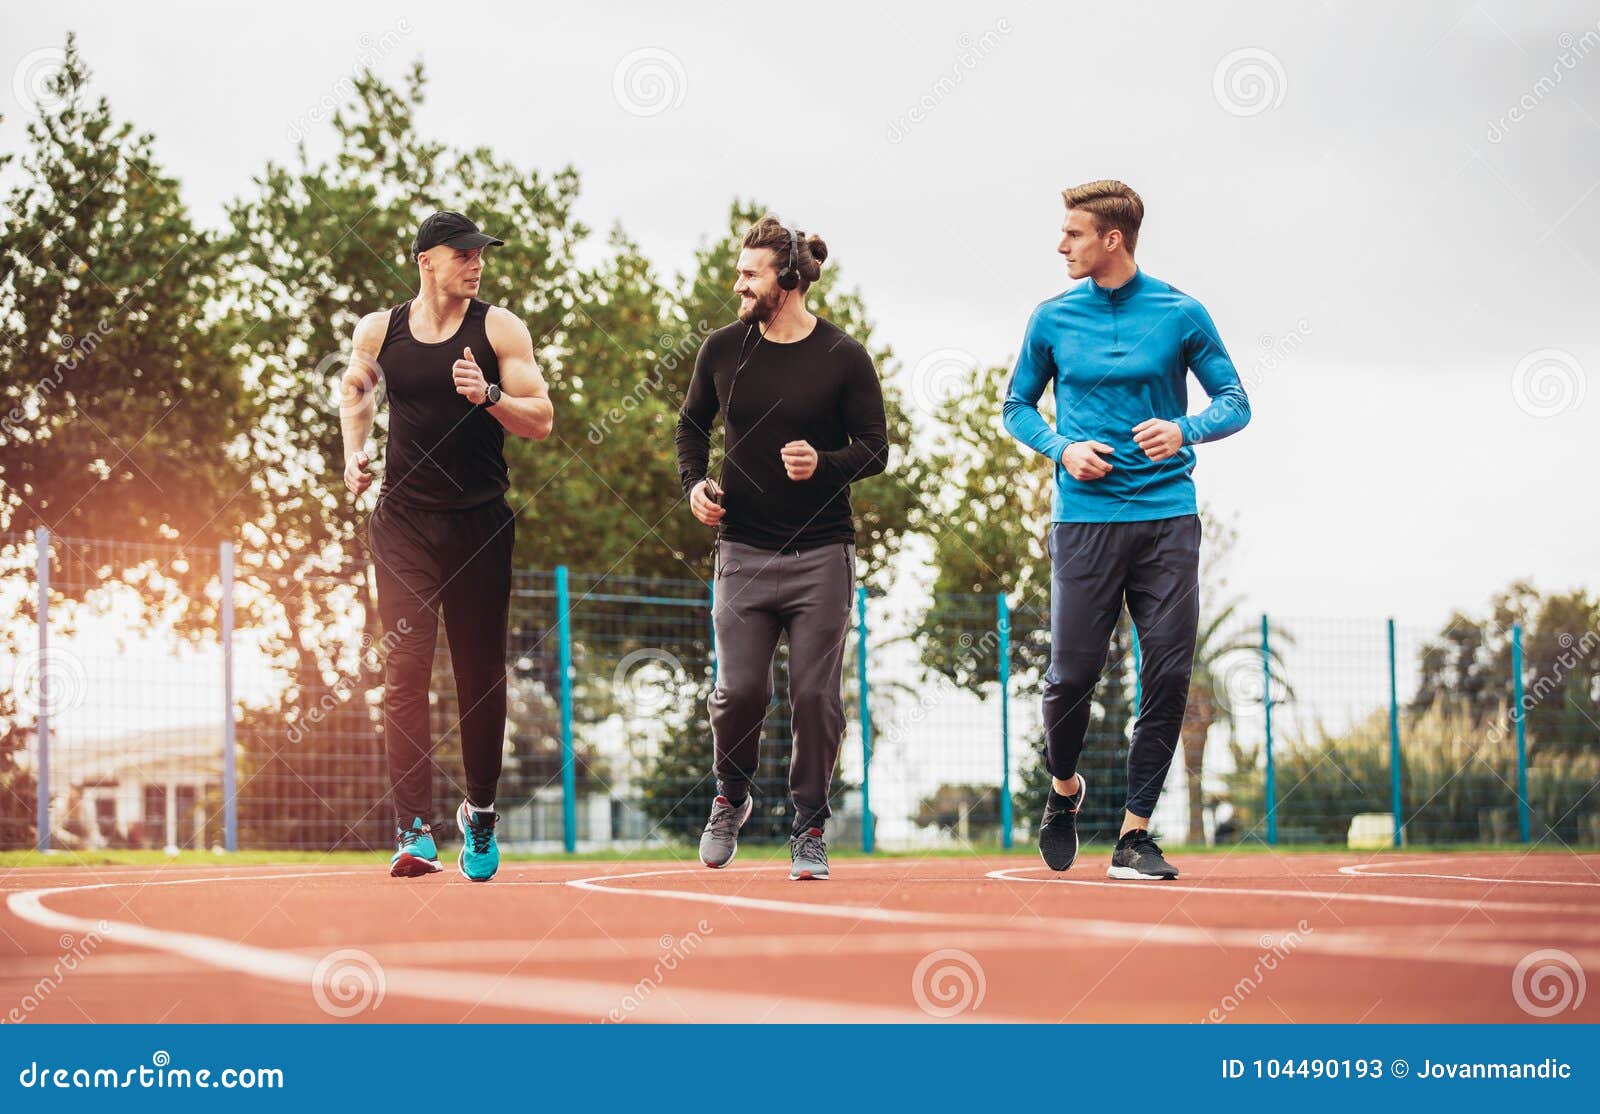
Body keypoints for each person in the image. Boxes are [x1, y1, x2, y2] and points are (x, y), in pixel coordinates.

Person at [1002, 180, 1250, 880]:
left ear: (1113, 239)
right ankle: (1064, 790)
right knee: (1070, 677)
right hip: (1084, 523)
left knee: (1167, 675)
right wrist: (1060, 449)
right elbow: (1017, 405)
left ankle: (1135, 836)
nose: (1061, 245)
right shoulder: (1051, 320)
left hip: (1168, 518)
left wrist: (1186, 428)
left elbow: (1235, 401)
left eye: (1073, 234)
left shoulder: (1180, 313)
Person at [340, 210, 553, 881]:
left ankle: (481, 814)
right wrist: (353, 454)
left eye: (480, 253)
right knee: (404, 667)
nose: (476, 262)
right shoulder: (382, 330)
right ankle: (413, 829)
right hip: (402, 521)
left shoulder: (500, 328)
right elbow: (354, 388)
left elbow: (542, 419)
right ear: (426, 261)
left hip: (478, 523)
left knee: (479, 675)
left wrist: (488, 395)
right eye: (462, 253)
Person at [675, 215, 888, 880]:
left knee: (815, 698)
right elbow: (690, 427)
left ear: (787, 282)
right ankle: (730, 795)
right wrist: (693, 487)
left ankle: (809, 826)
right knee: (737, 693)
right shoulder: (721, 349)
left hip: (822, 556)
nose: (737, 283)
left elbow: (875, 449)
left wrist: (823, 463)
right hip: (742, 552)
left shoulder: (843, 356)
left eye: (749, 274)